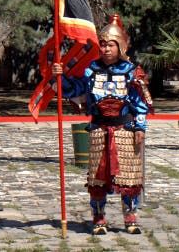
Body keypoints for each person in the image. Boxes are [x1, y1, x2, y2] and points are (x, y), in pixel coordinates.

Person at [51, 14, 150, 235]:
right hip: (98, 130)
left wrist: (140, 127)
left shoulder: (132, 72)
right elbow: (77, 90)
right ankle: (99, 217)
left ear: (121, 46)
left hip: (125, 129)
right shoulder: (91, 70)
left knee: (130, 177)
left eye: (111, 45)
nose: (105, 49)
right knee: (97, 179)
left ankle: (130, 216)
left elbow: (140, 102)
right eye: (103, 45)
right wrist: (59, 76)